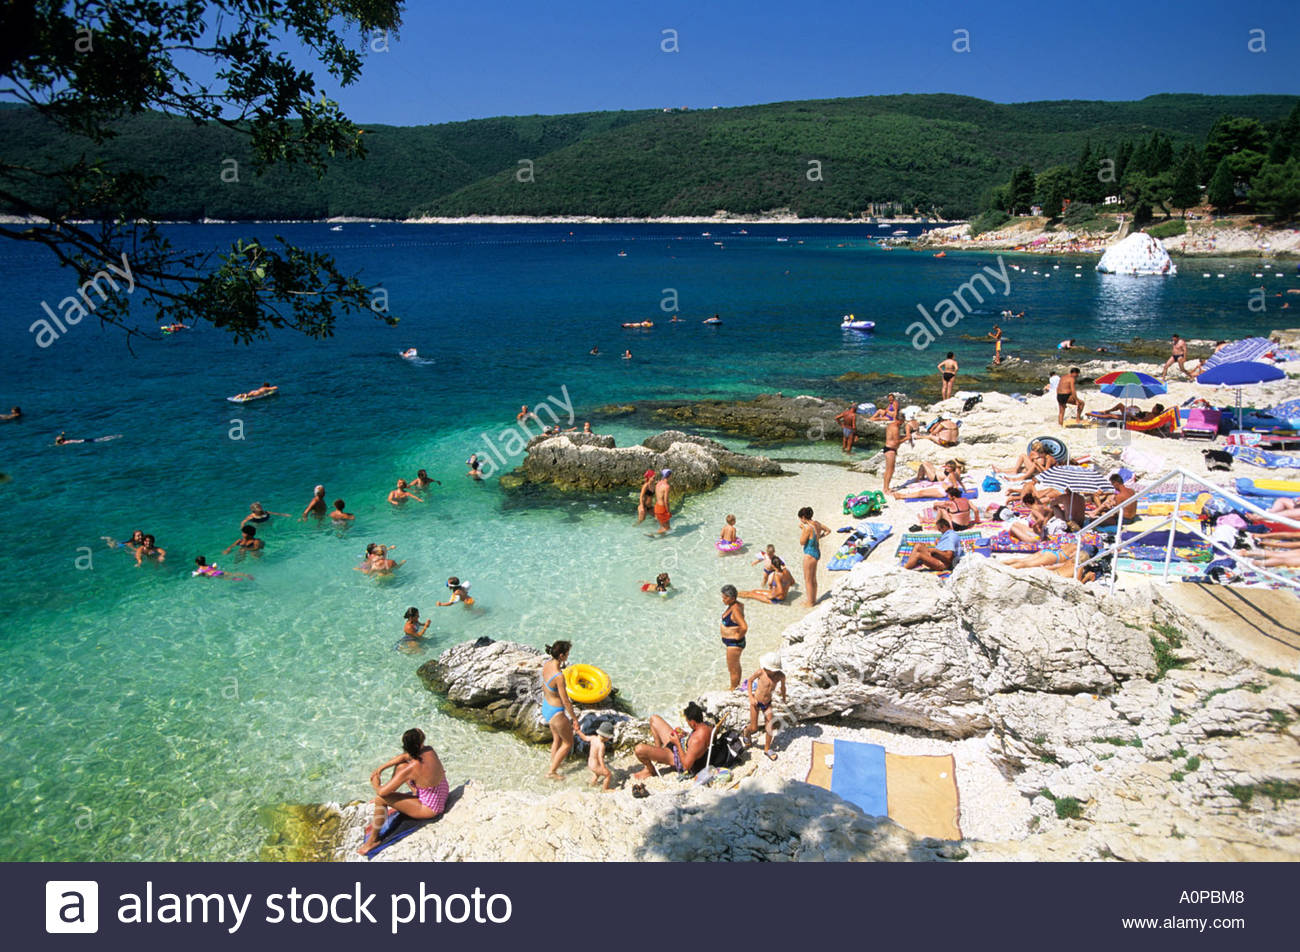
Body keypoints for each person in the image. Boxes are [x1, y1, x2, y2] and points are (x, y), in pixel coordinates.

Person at [357, 728, 449, 855]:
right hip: (441, 791)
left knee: (381, 799)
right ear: (420, 744)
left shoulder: (411, 769)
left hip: (431, 808)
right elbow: (404, 757)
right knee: (400, 766)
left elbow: (381, 792)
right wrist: (381, 768)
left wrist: (376, 783)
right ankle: (393, 796)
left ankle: (373, 840)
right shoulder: (429, 750)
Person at [631, 703, 713, 780]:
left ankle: (650, 770)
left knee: (639, 749)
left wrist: (677, 743)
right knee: (654, 719)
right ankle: (657, 755)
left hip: (676, 757)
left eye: (688, 722)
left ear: (693, 723)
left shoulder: (697, 740)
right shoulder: (707, 726)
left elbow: (686, 766)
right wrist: (686, 735)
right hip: (682, 745)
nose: (687, 723)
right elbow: (696, 747)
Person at [541, 641, 579, 779]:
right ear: (562, 655)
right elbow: (566, 701)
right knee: (568, 743)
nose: (568, 656)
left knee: (556, 739)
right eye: (567, 654)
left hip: (546, 707)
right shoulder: (559, 676)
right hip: (557, 711)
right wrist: (574, 719)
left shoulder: (547, 665)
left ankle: (555, 762)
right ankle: (552, 772)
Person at [743, 652, 787, 761]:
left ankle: (767, 749)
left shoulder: (780, 676)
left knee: (770, 727)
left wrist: (784, 698)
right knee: (754, 728)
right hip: (756, 702)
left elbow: (783, 687)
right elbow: (749, 681)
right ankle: (746, 732)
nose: (765, 668)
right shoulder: (760, 672)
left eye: (768, 668)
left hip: (767, 704)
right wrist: (751, 697)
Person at [798, 506, 830, 608]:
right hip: (816, 552)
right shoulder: (817, 524)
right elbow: (828, 530)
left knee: (808, 579)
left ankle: (810, 602)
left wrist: (803, 529)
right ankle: (813, 599)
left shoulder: (807, 528)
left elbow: (802, 542)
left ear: (803, 517)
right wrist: (819, 537)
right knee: (813, 578)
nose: (800, 521)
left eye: (800, 518)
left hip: (809, 554)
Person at [718, 584, 748, 689]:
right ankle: (736, 686)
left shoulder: (735, 610)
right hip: (733, 643)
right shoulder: (738, 605)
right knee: (736, 666)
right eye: (723, 597)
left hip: (734, 644)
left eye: (726, 598)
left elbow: (744, 626)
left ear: (733, 598)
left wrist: (738, 636)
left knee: (733, 669)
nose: (723, 600)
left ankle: (733, 689)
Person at [892, 460, 966, 500]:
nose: (945, 468)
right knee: (921, 492)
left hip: (943, 492)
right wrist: (965, 490)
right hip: (942, 489)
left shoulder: (952, 475)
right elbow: (959, 482)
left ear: (952, 468)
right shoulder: (952, 473)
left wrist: (949, 491)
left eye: (947, 467)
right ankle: (902, 496)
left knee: (921, 494)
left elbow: (956, 486)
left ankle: (902, 496)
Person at [572, 721, 615, 790]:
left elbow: (584, 738)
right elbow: (600, 757)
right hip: (595, 765)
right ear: (606, 737)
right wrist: (604, 767)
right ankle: (605, 789)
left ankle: (593, 783)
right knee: (608, 774)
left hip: (590, 763)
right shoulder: (601, 745)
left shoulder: (593, 738)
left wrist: (578, 731)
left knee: (597, 773)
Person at [881, 415, 902, 493]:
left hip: (888, 448)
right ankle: (886, 489)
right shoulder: (896, 427)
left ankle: (885, 487)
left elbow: (893, 438)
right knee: (890, 470)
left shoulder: (891, 425)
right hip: (890, 450)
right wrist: (907, 438)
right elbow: (897, 442)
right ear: (901, 421)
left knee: (888, 470)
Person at [653, 469, 672, 534]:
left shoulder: (658, 483)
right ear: (669, 476)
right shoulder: (666, 487)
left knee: (662, 526)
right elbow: (666, 501)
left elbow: (657, 496)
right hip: (662, 508)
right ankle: (653, 534)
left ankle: (662, 541)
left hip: (657, 507)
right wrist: (668, 511)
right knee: (667, 528)